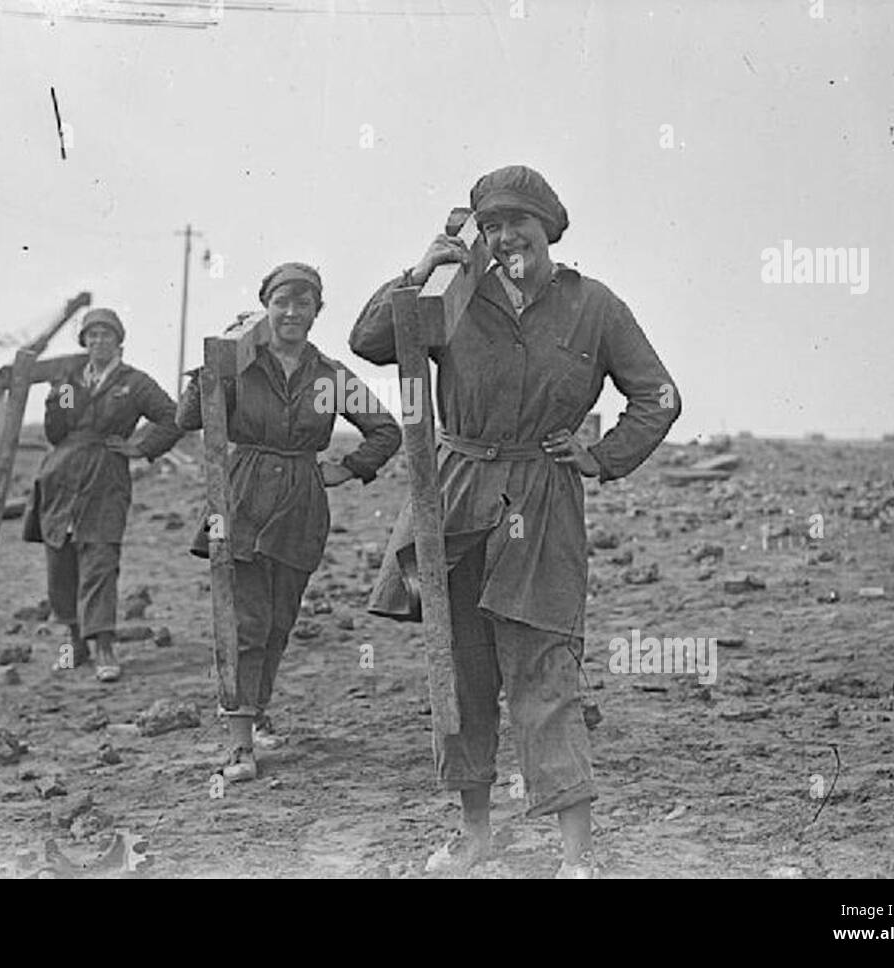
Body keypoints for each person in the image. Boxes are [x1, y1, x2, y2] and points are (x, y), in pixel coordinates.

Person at [349, 165, 682, 878]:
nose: (505, 238)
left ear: (549, 227)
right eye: (491, 226)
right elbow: (370, 342)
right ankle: (473, 837)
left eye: (518, 223)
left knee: (546, 673)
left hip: (543, 503)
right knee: (461, 673)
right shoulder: (451, 297)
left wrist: (602, 458)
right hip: (456, 499)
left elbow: (658, 394)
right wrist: (418, 270)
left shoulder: (595, 307)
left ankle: (574, 855)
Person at [178, 263, 401, 782]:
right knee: (247, 622)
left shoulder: (328, 375)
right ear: (265, 307)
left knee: (278, 622)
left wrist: (346, 469)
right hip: (243, 496)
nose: (292, 313)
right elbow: (187, 418)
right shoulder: (242, 364)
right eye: (282, 302)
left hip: (301, 503)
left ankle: (253, 713)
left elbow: (384, 429)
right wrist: (213, 360)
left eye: (304, 304)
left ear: (316, 313)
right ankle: (239, 743)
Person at [25, 308, 183, 682]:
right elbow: (55, 432)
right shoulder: (71, 380)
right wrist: (57, 398)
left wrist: (141, 448)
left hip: (106, 476)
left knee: (100, 556)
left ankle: (104, 645)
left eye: (106, 335)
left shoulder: (133, 382)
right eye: (91, 336)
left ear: (119, 341)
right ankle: (74, 642)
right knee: (60, 557)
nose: (99, 342)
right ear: (84, 342)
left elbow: (173, 417)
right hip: (61, 474)